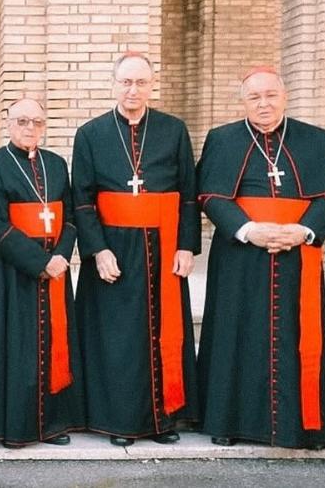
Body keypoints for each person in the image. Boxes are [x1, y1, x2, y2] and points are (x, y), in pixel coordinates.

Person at [196, 66, 325, 449]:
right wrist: (248, 230)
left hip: (297, 255)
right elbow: (209, 195)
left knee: (297, 336)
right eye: (254, 97)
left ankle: (302, 427)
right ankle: (228, 422)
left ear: (284, 96)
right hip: (240, 256)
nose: (263, 104)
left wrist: (303, 231)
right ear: (243, 102)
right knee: (235, 333)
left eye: (271, 95)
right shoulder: (222, 139)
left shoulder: (315, 139)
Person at [72, 51, 200, 446]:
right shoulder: (90, 133)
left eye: (141, 82)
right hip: (114, 249)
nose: (133, 90)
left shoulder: (173, 130)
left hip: (163, 246)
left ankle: (161, 420)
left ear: (152, 85)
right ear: (114, 84)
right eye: (126, 82)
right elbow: (82, 200)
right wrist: (97, 250)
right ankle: (119, 423)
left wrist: (186, 245)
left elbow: (189, 194)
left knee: (161, 333)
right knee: (118, 339)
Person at [0, 98, 84, 448]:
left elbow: (70, 217)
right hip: (14, 271)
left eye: (37, 122)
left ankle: (51, 424)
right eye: (22, 121)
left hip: (56, 268)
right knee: (18, 347)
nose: (30, 128)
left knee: (54, 341)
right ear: (8, 123)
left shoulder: (56, 164)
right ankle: (17, 427)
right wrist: (40, 263)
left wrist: (61, 256)